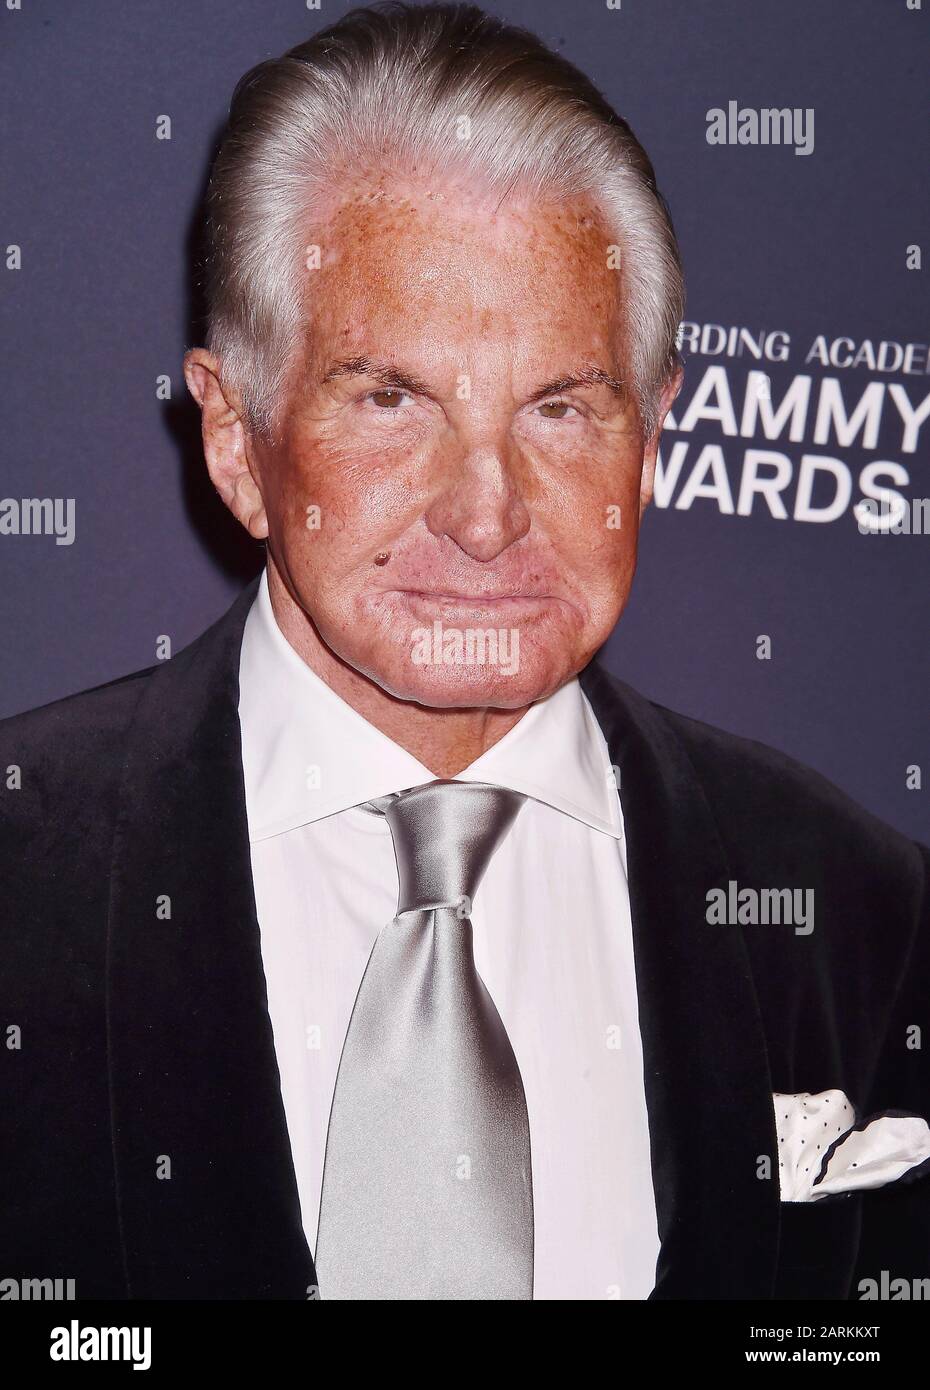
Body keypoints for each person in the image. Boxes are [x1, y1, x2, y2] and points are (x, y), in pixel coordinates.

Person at [1, 2, 927, 1301]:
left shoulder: (866, 916)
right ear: (233, 439)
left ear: (653, 435)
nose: (485, 514)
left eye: (559, 406)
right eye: (390, 399)